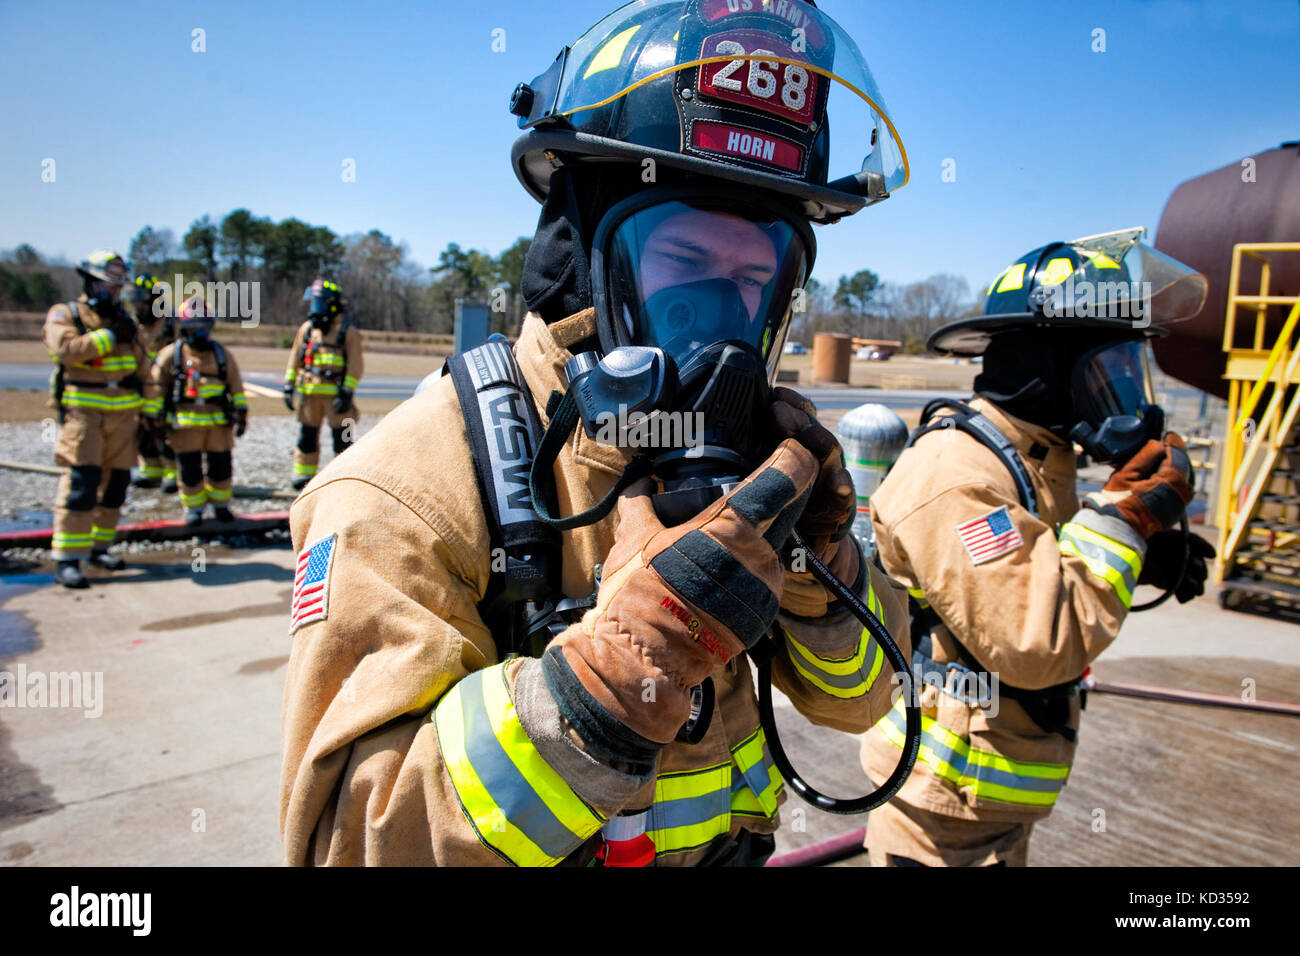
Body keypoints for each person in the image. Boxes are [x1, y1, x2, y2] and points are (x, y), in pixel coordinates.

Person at [280, 0, 915, 866]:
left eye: (752, 281)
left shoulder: (748, 467)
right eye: (685, 266)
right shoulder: (407, 491)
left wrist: (821, 563)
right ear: (586, 262)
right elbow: (347, 846)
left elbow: (861, 703)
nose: (721, 329)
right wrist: (613, 674)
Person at [859, 229, 1216, 866]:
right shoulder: (957, 474)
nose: (1127, 396)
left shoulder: (1037, 457)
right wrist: (1127, 521)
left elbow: (1037, 570)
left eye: (1132, 373)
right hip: (943, 806)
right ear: (1047, 366)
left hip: (989, 798)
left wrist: (1138, 555)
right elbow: (1035, 639)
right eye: (1110, 370)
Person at [44, 249, 148, 589]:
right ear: (90, 281)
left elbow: (142, 367)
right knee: (81, 486)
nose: (112, 292)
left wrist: (151, 411)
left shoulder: (124, 322)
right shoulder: (66, 314)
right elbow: (67, 350)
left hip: (123, 419)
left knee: (116, 486)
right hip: (84, 417)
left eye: (116, 287)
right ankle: (68, 558)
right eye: (106, 285)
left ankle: (99, 548)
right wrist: (108, 337)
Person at [146, 297, 248, 525]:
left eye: (204, 325)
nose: (200, 331)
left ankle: (221, 506)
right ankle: (194, 509)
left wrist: (241, 413)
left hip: (219, 424)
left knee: (221, 468)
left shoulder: (222, 354)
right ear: (184, 327)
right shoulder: (171, 355)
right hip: (185, 426)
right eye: (195, 326)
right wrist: (153, 418)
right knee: (189, 470)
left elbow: (236, 386)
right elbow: (156, 387)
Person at [282, 279, 363, 490]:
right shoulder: (308, 330)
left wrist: (346, 393)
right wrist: (289, 386)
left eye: (320, 304)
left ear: (333, 305)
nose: (315, 309)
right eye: (314, 304)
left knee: (344, 439)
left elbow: (356, 365)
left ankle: (346, 477)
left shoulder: (347, 332)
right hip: (309, 397)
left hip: (337, 398)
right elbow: (294, 358)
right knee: (306, 437)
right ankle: (303, 476)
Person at [126, 273, 179, 491]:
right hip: (140, 384)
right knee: (143, 427)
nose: (139, 303)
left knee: (166, 429)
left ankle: (172, 472)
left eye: (143, 299)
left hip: (166, 386)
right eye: (136, 299)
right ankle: (150, 470)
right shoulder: (131, 324)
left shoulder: (170, 322)